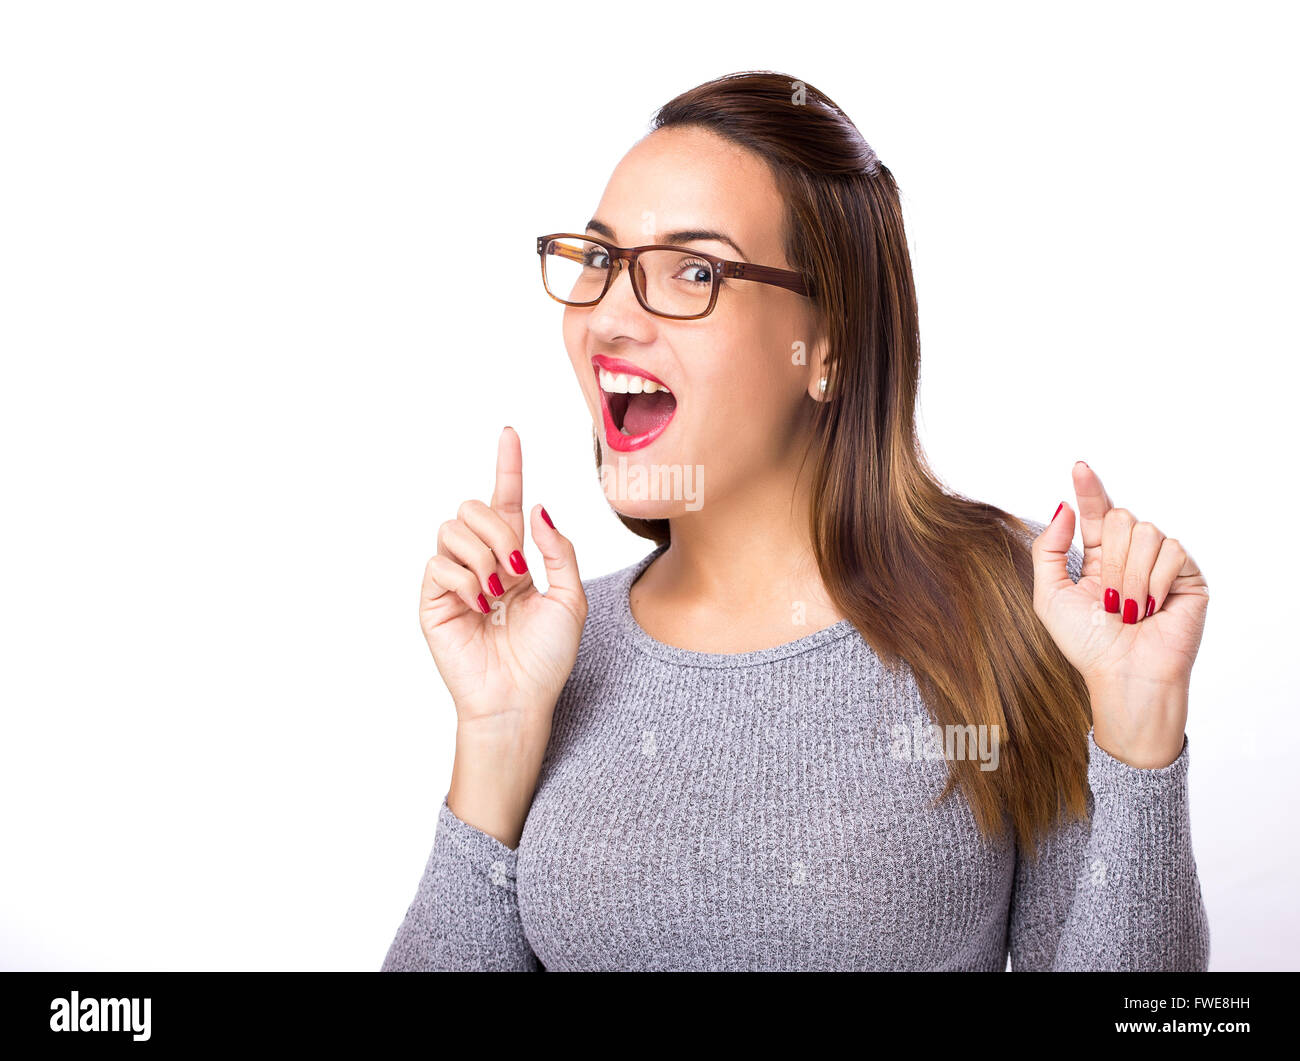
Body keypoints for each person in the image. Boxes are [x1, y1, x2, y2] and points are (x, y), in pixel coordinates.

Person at [380, 71, 1211, 971]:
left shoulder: (1016, 610)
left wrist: (1139, 734)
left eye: (693, 270)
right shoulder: (554, 649)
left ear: (829, 343)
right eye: (602, 260)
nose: (610, 316)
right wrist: (498, 734)